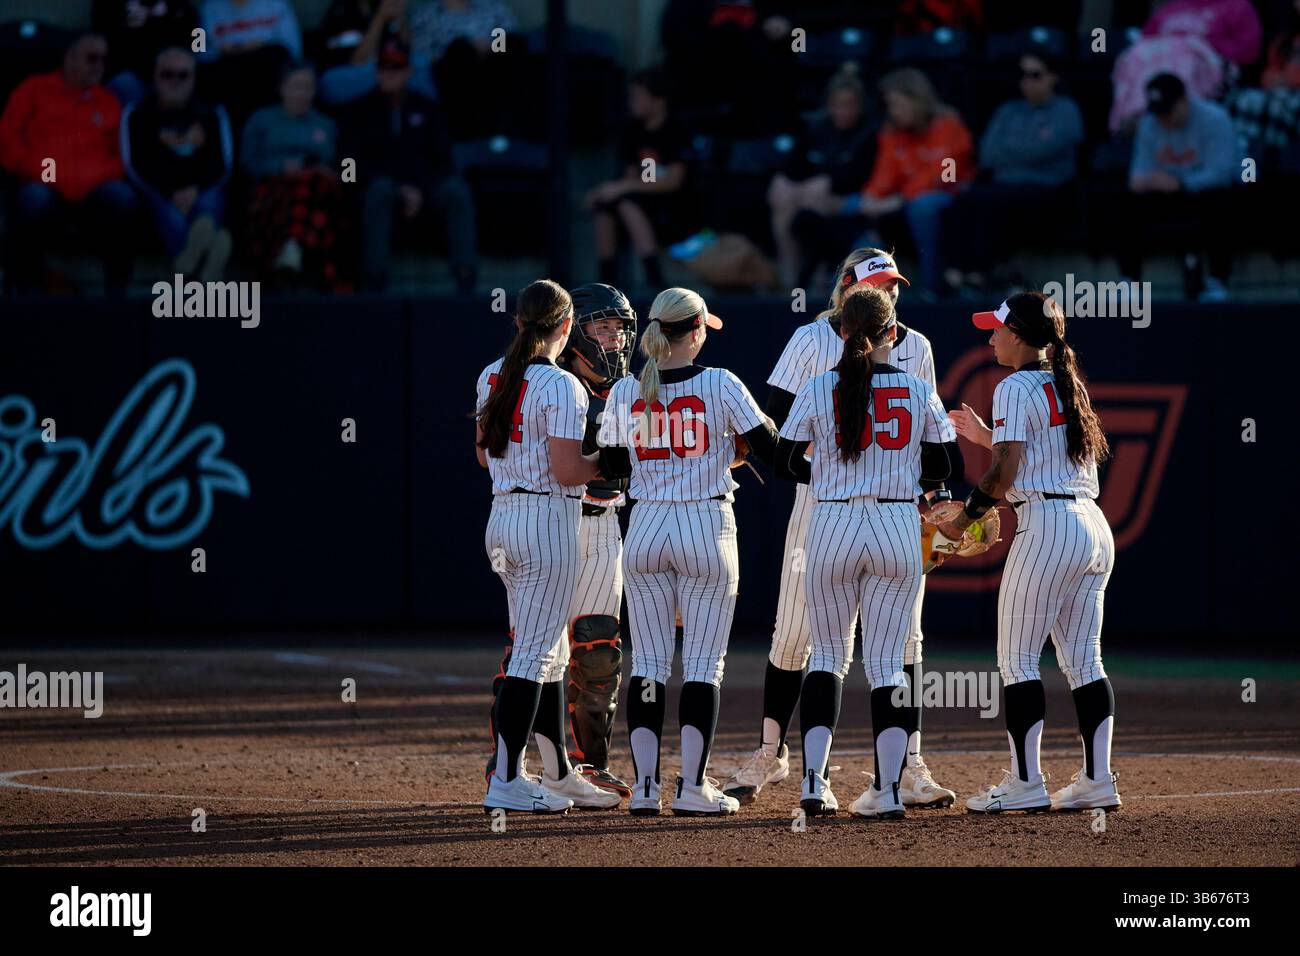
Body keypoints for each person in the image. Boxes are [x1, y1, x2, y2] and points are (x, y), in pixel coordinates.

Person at [723, 248, 958, 811]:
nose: (892, 292)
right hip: (838, 507)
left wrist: (934, 500)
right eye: (879, 283)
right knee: (794, 633)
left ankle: (907, 764)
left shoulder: (916, 345)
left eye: (896, 283)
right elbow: (771, 417)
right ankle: (771, 752)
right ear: (846, 285)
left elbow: (778, 444)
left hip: (850, 507)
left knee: (898, 641)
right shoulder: (810, 340)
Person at [596, 288, 779, 816]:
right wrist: (727, 452)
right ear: (695, 331)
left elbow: (612, 465)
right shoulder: (720, 382)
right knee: (703, 664)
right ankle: (695, 787)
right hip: (704, 523)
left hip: (647, 525)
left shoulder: (628, 389)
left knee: (648, 663)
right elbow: (771, 450)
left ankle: (647, 790)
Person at [944, 292, 1119, 814]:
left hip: (1046, 527)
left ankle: (1025, 782)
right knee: (1085, 661)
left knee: (1017, 661)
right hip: (1091, 526)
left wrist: (965, 517)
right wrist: (985, 436)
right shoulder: (1065, 382)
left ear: (1018, 335)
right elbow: (1033, 453)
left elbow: (1005, 474)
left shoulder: (1015, 385)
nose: (990, 337)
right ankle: (1098, 779)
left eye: (996, 329)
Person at [485, 283, 639, 798]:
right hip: (550, 519)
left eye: (619, 327)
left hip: (506, 516)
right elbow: (570, 470)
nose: (613, 337)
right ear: (569, 329)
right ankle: (506, 777)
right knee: (533, 653)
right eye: (600, 325)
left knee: (548, 652)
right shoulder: (561, 385)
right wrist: (609, 460)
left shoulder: (492, 374)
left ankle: (558, 772)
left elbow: (484, 456)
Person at [794, 68, 972, 294]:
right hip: (900, 202)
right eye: (889, 105)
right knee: (843, 206)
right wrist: (871, 199)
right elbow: (883, 177)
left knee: (923, 206)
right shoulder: (892, 132)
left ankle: (932, 286)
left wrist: (900, 199)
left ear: (916, 100)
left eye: (897, 104)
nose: (893, 111)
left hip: (945, 198)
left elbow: (943, 176)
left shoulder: (948, 125)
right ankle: (837, 288)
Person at [0, 32, 139, 297]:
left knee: (123, 198)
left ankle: (118, 294)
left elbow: (120, 156)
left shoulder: (107, 101)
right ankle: (27, 292)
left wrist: (88, 178)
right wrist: (41, 170)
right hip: (44, 182)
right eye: (91, 58)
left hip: (92, 192)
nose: (99, 65)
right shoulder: (33, 89)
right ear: (70, 58)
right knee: (32, 199)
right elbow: (8, 139)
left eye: (103, 59)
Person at [342, 36, 478, 293]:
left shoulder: (428, 109)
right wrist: (396, 187)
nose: (389, 73)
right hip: (380, 191)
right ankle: (374, 283)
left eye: (396, 67)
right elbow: (349, 165)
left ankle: (465, 278)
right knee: (378, 191)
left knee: (456, 191)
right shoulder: (358, 110)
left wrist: (418, 189)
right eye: (384, 67)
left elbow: (443, 160)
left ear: (409, 71)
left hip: (424, 190)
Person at [942, 52, 1084, 291]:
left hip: (1048, 188)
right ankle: (954, 274)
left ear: (1052, 77)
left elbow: (1052, 149)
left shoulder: (1066, 110)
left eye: (1036, 74)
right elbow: (988, 154)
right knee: (962, 200)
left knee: (994, 203)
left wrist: (1013, 152)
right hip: (1003, 184)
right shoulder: (1008, 110)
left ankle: (981, 273)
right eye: (1023, 75)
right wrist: (1031, 149)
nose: (1028, 81)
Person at [1120, 72, 1240, 300]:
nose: (1164, 119)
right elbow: (1137, 175)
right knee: (1126, 203)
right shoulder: (1149, 123)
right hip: (1169, 195)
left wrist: (1181, 183)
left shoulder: (1215, 119)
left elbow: (1223, 172)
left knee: (1223, 201)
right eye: (1159, 113)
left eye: (1169, 111)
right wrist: (1145, 181)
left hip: (1206, 192)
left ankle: (1217, 281)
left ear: (1184, 100)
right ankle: (1128, 283)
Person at [121, 47, 233, 280]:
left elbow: (223, 162)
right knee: (172, 216)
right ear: (155, 76)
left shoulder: (212, 113)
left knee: (209, 203)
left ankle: (189, 268)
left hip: (202, 188)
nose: (175, 81)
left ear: (193, 78)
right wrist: (171, 191)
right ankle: (206, 264)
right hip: (160, 190)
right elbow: (135, 163)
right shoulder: (137, 113)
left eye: (183, 75)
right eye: (167, 74)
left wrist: (195, 189)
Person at [240, 61, 348, 290]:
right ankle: (289, 249)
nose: (303, 93)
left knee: (314, 185)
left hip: (315, 194)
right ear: (282, 88)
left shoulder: (326, 125)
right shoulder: (261, 120)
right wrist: (281, 167)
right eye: (297, 86)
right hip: (272, 191)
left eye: (308, 87)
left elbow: (341, 168)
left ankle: (295, 248)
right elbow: (248, 163)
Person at [769, 62, 877, 290]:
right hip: (814, 194)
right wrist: (784, 179)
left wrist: (829, 181)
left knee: (815, 196)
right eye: (837, 105)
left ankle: (819, 274)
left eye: (849, 105)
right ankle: (789, 274)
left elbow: (861, 175)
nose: (842, 111)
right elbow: (795, 165)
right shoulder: (818, 128)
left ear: (861, 105)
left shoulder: (870, 132)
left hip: (855, 200)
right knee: (784, 196)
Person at [585, 67, 689, 291]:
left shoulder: (676, 129)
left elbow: (673, 182)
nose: (632, 102)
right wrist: (609, 191)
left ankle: (655, 280)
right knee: (607, 205)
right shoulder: (633, 130)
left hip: (675, 207)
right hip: (640, 199)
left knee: (627, 202)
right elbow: (631, 174)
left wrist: (623, 187)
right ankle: (607, 283)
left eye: (638, 96)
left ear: (658, 100)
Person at [197, 0, 303, 130]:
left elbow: (293, 50)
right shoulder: (209, 8)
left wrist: (261, 45)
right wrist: (221, 50)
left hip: (266, 79)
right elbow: (198, 52)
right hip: (228, 80)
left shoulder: (277, 5)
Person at [92, 0, 199, 104]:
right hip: (127, 70)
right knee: (126, 83)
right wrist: (129, 23)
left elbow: (196, 36)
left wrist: (161, 16)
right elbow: (101, 37)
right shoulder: (111, 4)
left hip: (167, 69)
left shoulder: (178, 5)